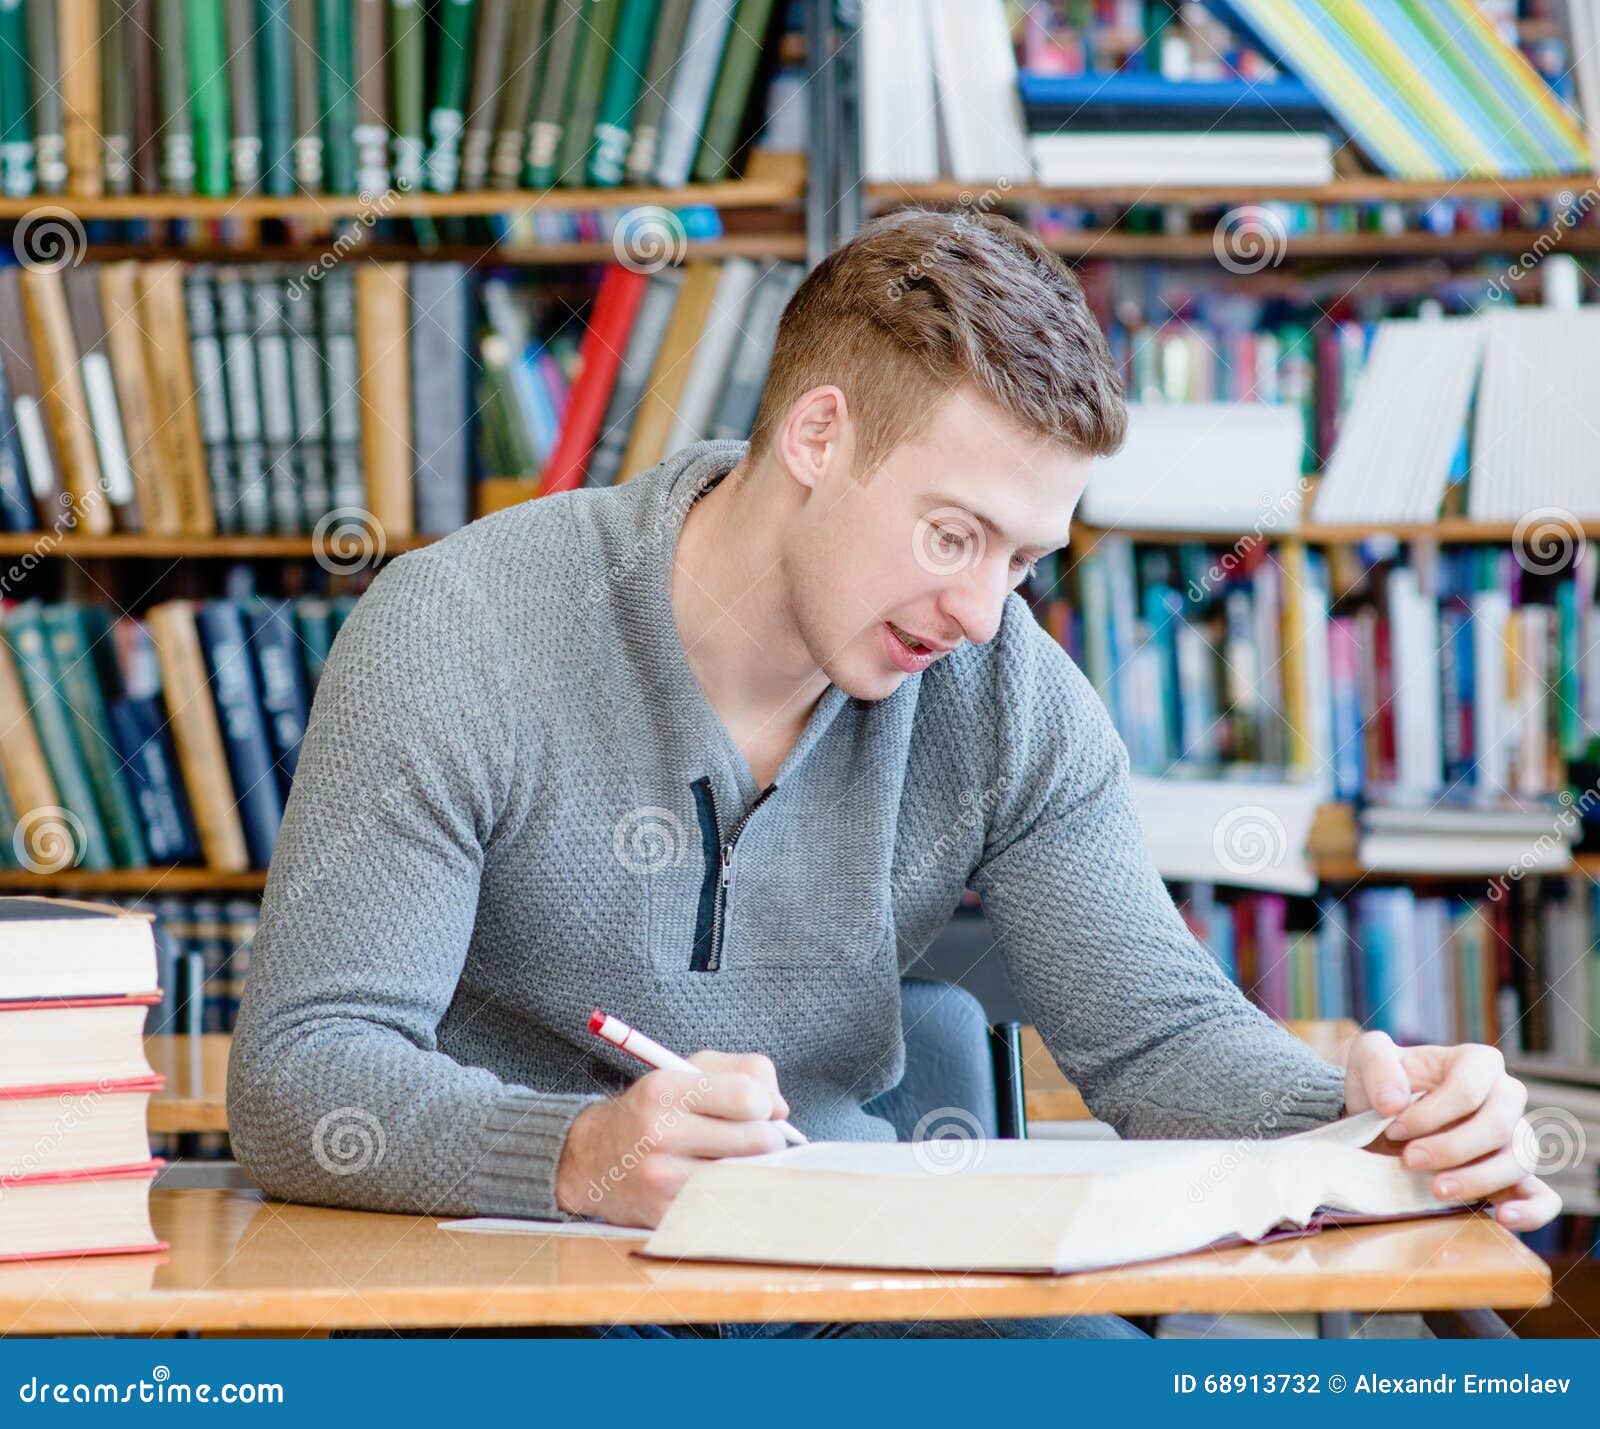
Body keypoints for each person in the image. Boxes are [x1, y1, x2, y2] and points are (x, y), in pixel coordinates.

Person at [227, 208, 1558, 1340]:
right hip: (512, 1285)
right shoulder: (459, 632)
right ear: (817, 436)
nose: (983, 611)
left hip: (845, 1276)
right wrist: (579, 1154)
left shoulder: (995, 684)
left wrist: (1370, 1124)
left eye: (1025, 558)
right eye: (953, 534)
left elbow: (1158, 1040)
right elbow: (299, 1077)